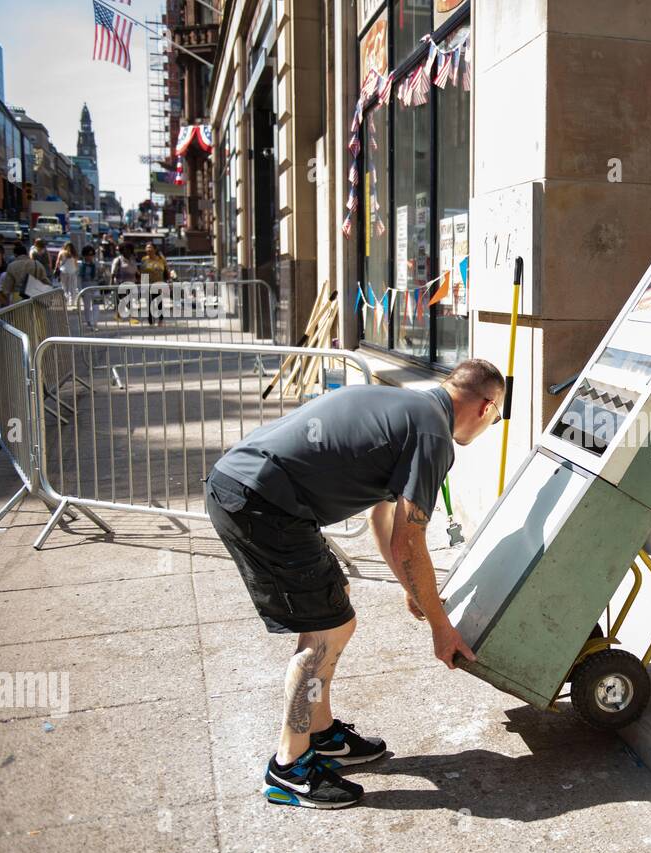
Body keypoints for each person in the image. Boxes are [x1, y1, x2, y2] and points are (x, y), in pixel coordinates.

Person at [203, 359, 505, 810]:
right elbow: (411, 536)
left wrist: (411, 585)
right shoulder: (433, 436)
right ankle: (289, 768)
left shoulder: (407, 409)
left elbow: (383, 517)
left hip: (249, 489)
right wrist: (441, 628)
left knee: (336, 604)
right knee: (327, 631)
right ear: (485, 407)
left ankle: (321, 735)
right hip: (262, 504)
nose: (491, 425)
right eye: (497, 417)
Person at [140, 242, 169, 324]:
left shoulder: (161, 259)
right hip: (147, 284)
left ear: (155, 249)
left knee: (159, 302)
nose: (148, 249)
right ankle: (150, 321)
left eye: (150, 247)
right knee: (148, 302)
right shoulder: (144, 259)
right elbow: (142, 272)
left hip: (158, 284)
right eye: (147, 247)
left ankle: (160, 320)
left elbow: (166, 270)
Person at [110, 242, 138, 321]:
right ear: (122, 250)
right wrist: (111, 284)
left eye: (129, 249)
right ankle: (130, 316)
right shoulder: (118, 260)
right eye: (125, 249)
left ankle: (119, 315)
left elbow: (135, 270)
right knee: (125, 300)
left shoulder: (133, 259)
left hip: (131, 283)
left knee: (128, 300)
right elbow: (113, 273)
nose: (127, 251)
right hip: (120, 283)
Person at [77, 245, 99, 328]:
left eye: (91, 255)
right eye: (88, 255)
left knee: (96, 306)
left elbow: (101, 275)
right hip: (85, 287)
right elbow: (79, 278)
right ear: (84, 256)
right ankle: (89, 321)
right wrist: (79, 289)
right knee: (87, 306)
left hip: (96, 287)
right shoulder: (81, 266)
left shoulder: (96, 264)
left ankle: (94, 322)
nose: (90, 257)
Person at [54, 240, 79, 306]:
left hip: (63, 271)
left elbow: (57, 262)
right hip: (72, 272)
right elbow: (76, 264)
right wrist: (76, 270)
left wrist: (56, 269)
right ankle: (72, 302)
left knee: (64, 287)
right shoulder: (74, 254)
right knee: (72, 287)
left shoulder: (61, 252)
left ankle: (65, 301)